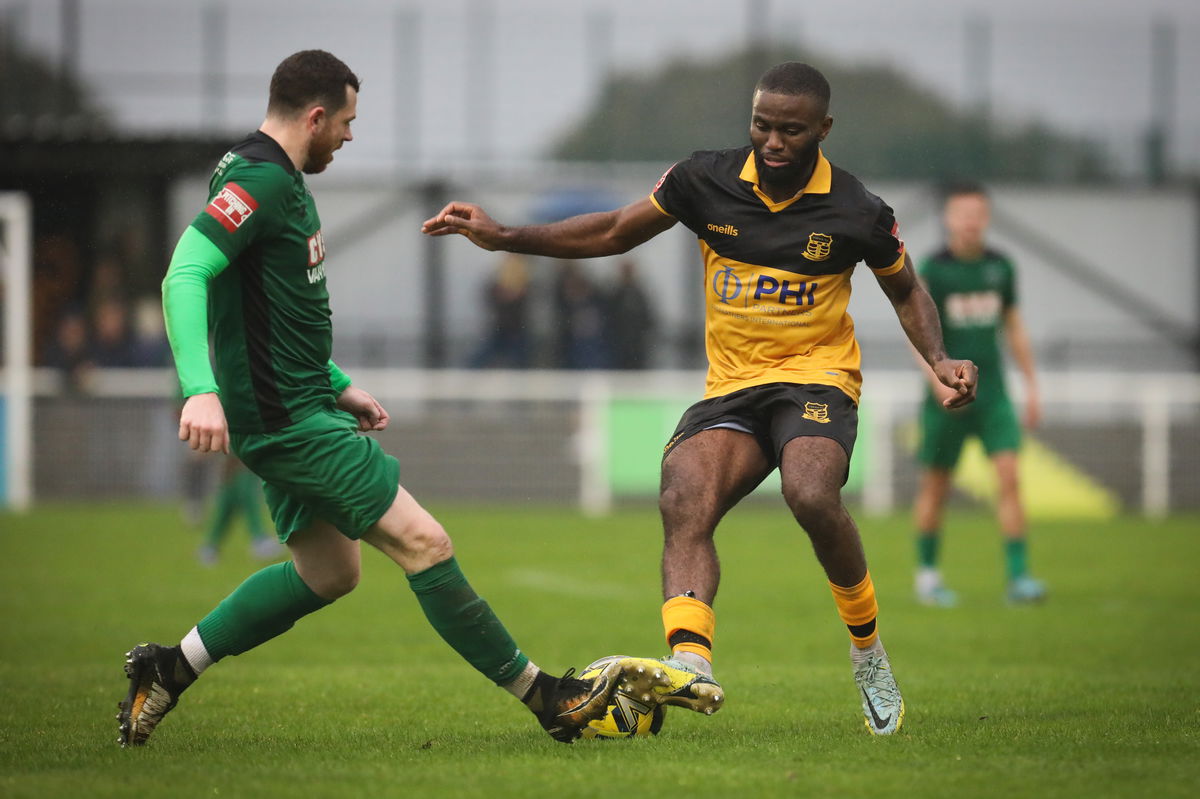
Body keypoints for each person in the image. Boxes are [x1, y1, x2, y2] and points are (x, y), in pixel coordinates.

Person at [422, 61, 978, 735]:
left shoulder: (858, 211)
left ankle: (867, 651)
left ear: (823, 129)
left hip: (816, 377)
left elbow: (906, 289)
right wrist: (505, 235)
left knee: (810, 492)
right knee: (682, 492)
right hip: (733, 387)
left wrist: (940, 359)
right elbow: (612, 231)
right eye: (761, 125)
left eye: (790, 130)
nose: (772, 141)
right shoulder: (704, 180)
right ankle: (692, 662)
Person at [117, 49, 639, 748]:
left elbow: (267, 306)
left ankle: (169, 668)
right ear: (315, 114)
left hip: (306, 405)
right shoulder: (260, 180)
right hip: (290, 424)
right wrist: (199, 390)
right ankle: (549, 697)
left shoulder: (260, 173)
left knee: (330, 571)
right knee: (426, 542)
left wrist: (337, 382)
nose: (350, 137)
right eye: (348, 122)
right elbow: (185, 273)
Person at [912, 183, 1047, 606]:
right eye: (962, 214)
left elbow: (1014, 327)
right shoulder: (933, 269)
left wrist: (1031, 386)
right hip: (947, 397)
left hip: (993, 396)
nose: (970, 222)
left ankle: (1019, 577)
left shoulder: (1000, 268)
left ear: (985, 218)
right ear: (949, 218)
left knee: (1009, 478)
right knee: (936, 487)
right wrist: (935, 378)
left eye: (977, 214)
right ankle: (928, 577)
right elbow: (915, 330)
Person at [195, 456, 281, 566]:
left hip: (243, 457)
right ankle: (259, 538)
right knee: (243, 492)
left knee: (232, 497)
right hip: (239, 454)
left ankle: (210, 546)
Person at [605, 259, 656, 369]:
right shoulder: (615, 293)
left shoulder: (638, 293)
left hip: (637, 343)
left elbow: (647, 316)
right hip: (618, 343)